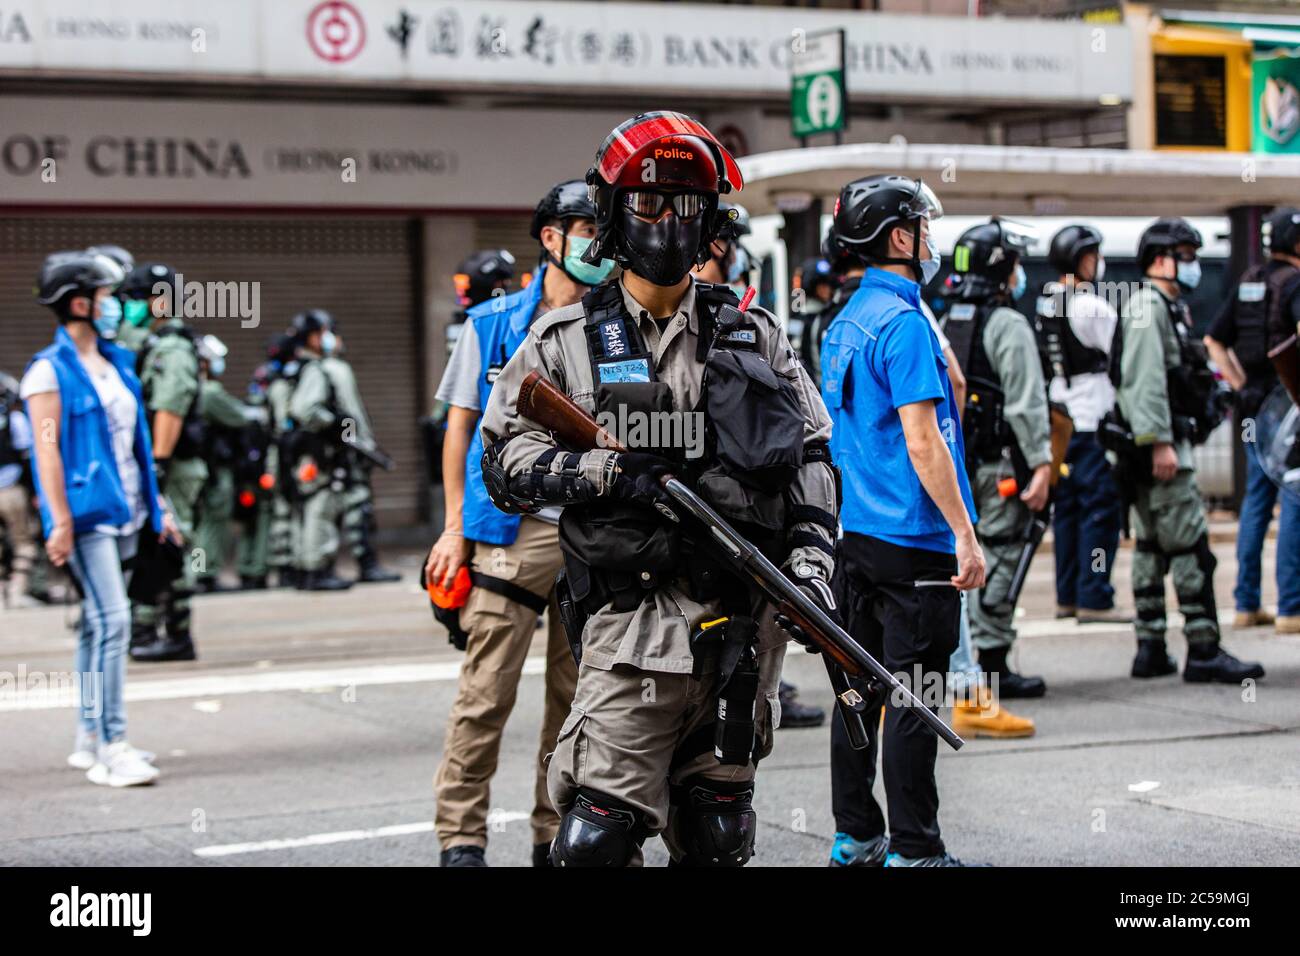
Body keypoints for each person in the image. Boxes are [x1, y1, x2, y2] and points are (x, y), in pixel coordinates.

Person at [481, 111, 838, 867]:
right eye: (648, 203)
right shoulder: (564, 340)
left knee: (717, 838)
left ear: (710, 220)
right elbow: (504, 460)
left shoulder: (756, 334)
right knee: (594, 843)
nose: (668, 222)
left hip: (742, 630)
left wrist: (811, 565)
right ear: (613, 212)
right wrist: (604, 471)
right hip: (630, 635)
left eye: (684, 205)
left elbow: (812, 458)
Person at [428, 180, 613, 868]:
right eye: (585, 229)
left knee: (576, 701)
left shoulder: (614, 323)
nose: (599, 242)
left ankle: (551, 833)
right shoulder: (493, 323)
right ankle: (462, 839)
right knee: (485, 695)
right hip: (508, 530)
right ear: (551, 238)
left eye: (604, 229)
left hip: (593, 528)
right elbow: (458, 431)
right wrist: (452, 529)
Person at [819, 174, 985, 868]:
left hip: (857, 535)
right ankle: (916, 849)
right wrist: (965, 535)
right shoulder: (906, 325)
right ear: (898, 237)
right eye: (921, 225)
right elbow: (924, 439)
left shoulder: (844, 321)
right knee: (915, 700)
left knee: (857, 693)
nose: (929, 238)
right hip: (916, 543)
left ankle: (856, 835)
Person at [21, 250, 177, 786]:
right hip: (88, 517)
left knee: (94, 625)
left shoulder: (116, 364)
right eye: (108, 298)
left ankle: (88, 737)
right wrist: (58, 519)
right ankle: (114, 744)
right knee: (114, 622)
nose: (116, 307)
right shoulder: (47, 371)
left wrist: (160, 508)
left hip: (128, 510)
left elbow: (132, 447)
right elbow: (46, 453)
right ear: (80, 303)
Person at [1110, 218, 1264, 682]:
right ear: (1161, 260)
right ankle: (1204, 650)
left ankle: (1151, 647)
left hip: (1148, 448)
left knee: (1153, 547)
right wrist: (1159, 442)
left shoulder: (1164, 307)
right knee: (1192, 547)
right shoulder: (1148, 306)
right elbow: (1145, 381)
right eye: (1186, 255)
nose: (1193, 265)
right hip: (1159, 449)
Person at [692, 204, 825, 731]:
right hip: (665, 569)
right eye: (733, 242)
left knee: (729, 766)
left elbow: (809, 442)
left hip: (748, 551)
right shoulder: (618, 329)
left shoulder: (755, 328)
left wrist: (811, 553)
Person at [942, 219, 1055, 700]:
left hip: (960, 463)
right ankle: (992, 659)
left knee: (966, 556)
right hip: (1002, 464)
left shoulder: (949, 318)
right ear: (1002, 268)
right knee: (1006, 549)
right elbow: (1027, 402)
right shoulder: (1007, 322)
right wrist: (1044, 462)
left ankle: (965, 658)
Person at [1203, 206, 1300, 635]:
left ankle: (1246, 603)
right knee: (1295, 498)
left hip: (1251, 408)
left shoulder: (1249, 282)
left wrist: (1241, 384)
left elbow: (1213, 339)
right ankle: (1291, 609)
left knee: (1257, 504)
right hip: (1288, 407)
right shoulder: (1295, 282)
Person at [116, 262, 208, 662]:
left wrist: (158, 463)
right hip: (160, 462)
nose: (132, 307)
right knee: (154, 544)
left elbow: (170, 408)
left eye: (140, 298)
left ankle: (176, 633)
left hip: (172, 464)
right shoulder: (152, 342)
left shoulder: (172, 346)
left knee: (171, 544)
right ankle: (147, 627)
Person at [1038, 225, 1128, 624]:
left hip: (1061, 420)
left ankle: (1067, 596)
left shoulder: (1047, 301)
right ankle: (1095, 596)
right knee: (1101, 510)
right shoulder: (1093, 306)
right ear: (1082, 260)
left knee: (1068, 511)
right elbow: (1118, 359)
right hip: (1093, 419)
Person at [321, 333, 400, 584]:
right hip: (348, 450)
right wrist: (360, 443)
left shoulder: (324, 369)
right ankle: (366, 565)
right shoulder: (333, 369)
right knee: (358, 508)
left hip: (349, 449)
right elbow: (350, 413)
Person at [285, 310, 354, 591]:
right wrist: (332, 423)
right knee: (320, 505)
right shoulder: (316, 369)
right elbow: (304, 409)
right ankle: (317, 569)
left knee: (310, 506)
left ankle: (307, 568)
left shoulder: (299, 367)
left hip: (309, 450)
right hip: (317, 451)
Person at [193, 335, 255, 592]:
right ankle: (203, 574)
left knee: (205, 520)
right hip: (214, 468)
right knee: (213, 520)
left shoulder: (196, 390)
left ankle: (200, 572)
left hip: (205, 466)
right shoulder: (209, 392)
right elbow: (240, 416)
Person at [0, 371, 37, 608]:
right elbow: (29, 457)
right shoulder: (16, 421)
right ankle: (16, 592)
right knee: (24, 542)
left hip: (11, 488)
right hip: (11, 491)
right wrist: (36, 492)